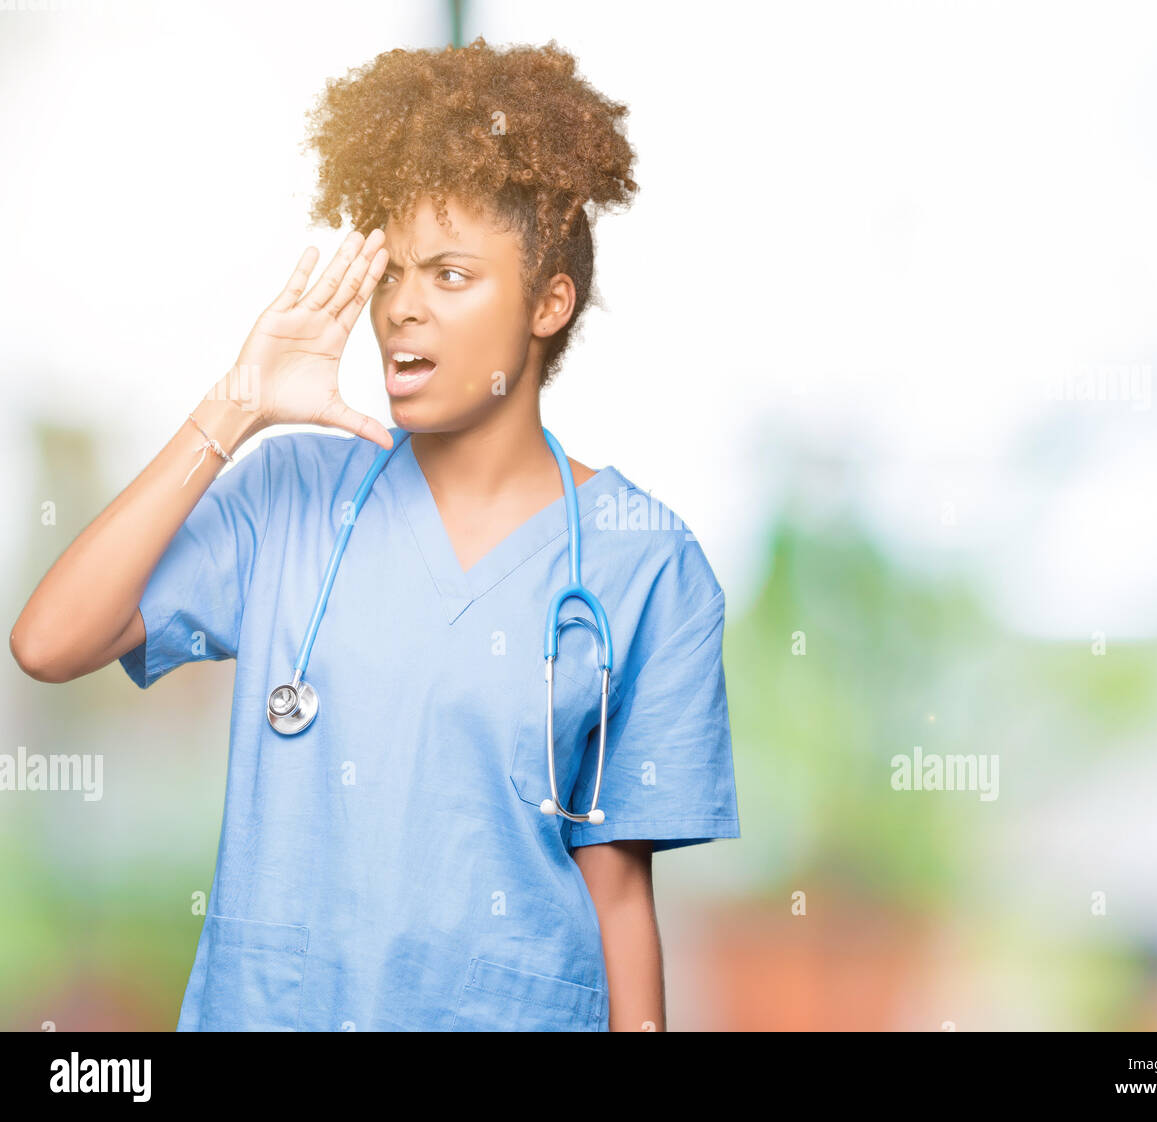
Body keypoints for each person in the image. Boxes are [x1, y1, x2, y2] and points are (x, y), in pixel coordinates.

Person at [9, 38, 739, 1032]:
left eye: (448, 273)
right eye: (390, 271)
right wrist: (235, 407)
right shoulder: (291, 493)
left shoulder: (643, 561)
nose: (400, 306)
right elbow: (49, 642)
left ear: (547, 303)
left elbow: (617, 892)